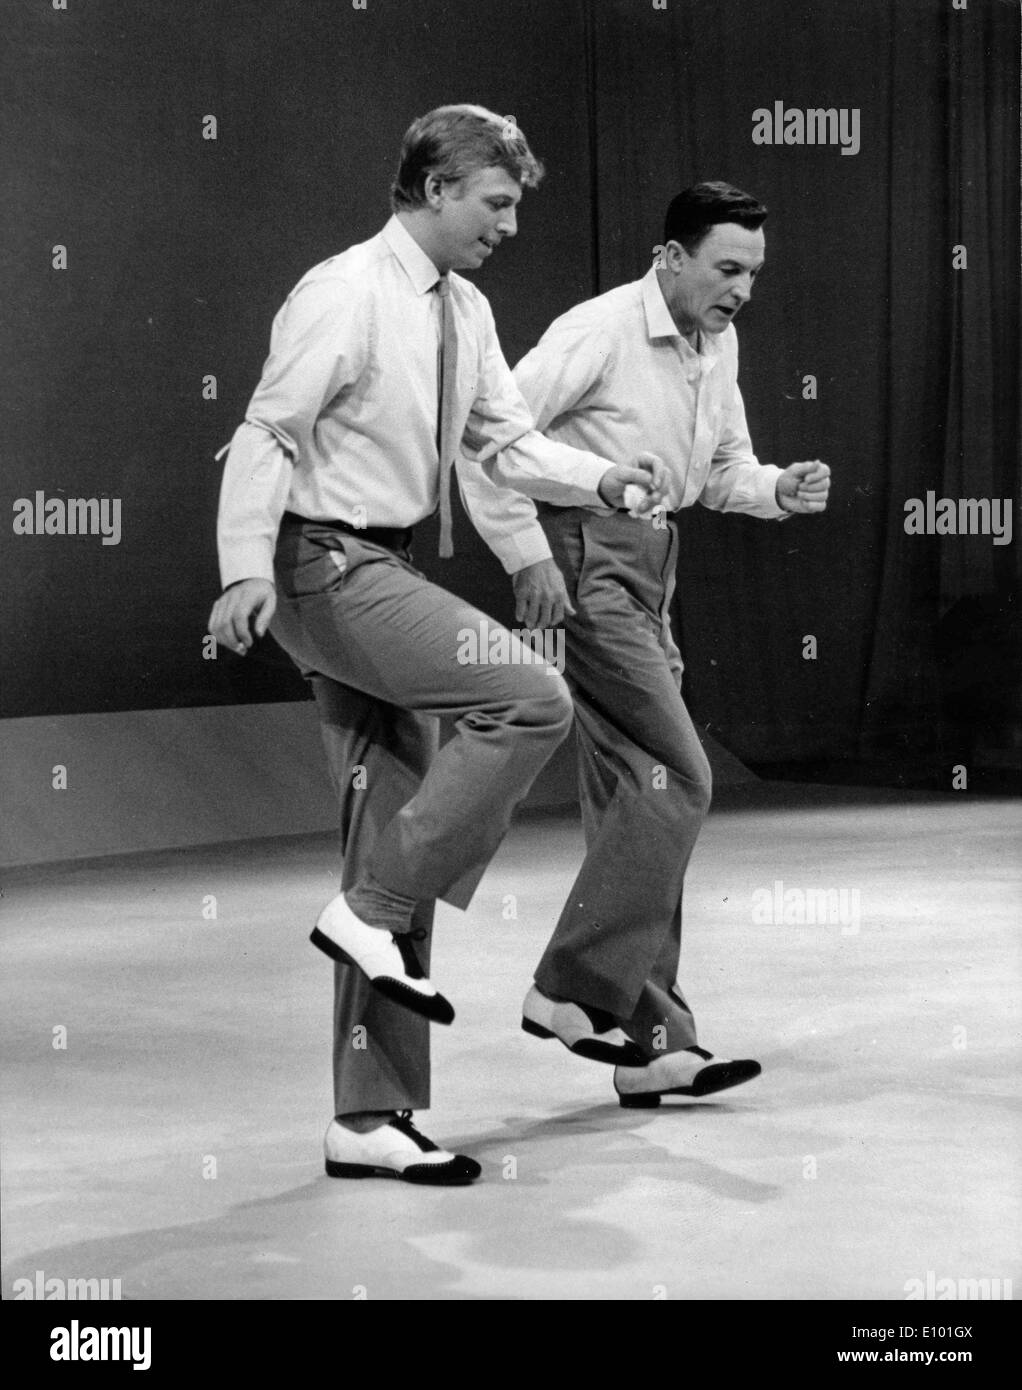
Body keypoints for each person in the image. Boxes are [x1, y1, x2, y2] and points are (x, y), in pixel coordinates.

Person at [207, 105, 666, 1185]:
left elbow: (502, 439)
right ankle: (363, 911)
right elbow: (269, 431)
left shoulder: (464, 305)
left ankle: (368, 1119)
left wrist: (597, 479)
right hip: (324, 564)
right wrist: (238, 568)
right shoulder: (343, 293)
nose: (508, 224)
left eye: (514, 205)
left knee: (396, 830)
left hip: (384, 565)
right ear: (432, 189)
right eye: (495, 203)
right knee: (528, 697)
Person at [511, 181, 832, 1108]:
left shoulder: (716, 341)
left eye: (754, 274)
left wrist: (776, 488)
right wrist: (531, 553)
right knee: (683, 777)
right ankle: (563, 986)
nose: (742, 289)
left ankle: (654, 1045)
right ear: (671, 258)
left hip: (654, 567)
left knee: (639, 803)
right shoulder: (598, 332)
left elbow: (722, 468)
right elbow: (491, 440)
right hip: (587, 561)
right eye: (727, 267)